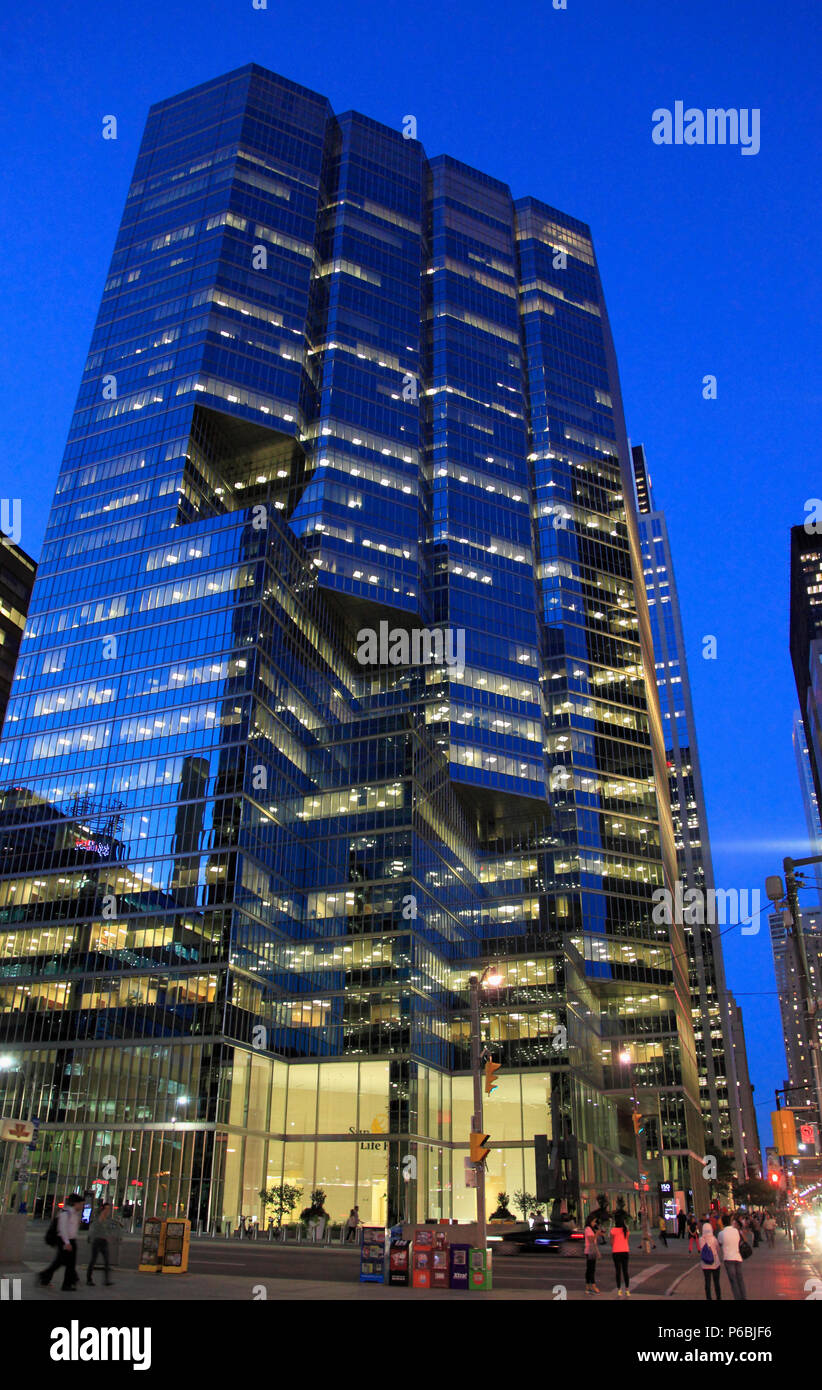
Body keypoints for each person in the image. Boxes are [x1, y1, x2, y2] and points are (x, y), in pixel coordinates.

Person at [39, 1194, 83, 1291]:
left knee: (61, 1262)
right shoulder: (65, 1213)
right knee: (68, 1263)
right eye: (81, 1204)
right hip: (64, 1240)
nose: (82, 1206)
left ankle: (45, 1277)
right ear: (76, 1203)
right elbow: (62, 1229)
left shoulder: (74, 1213)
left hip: (70, 1240)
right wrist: (67, 1243)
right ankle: (66, 1284)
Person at [86, 1201, 118, 1286]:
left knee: (107, 1261)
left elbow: (109, 1230)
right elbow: (92, 1229)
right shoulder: (97, 1218)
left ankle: (106, 1280)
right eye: (106, 1209)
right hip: (96, 1241)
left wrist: (110, 1237)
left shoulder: (108, 1220)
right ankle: (89, 1279)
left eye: (109, 1209)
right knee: (93, 1260)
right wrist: (90, 1237)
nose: (108, 1211)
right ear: (102, 1209)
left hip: (104, 1241)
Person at [718, 1215, 747, 1301]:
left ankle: (737, 1297)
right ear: (730, 1222)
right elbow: (742, 1240)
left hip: (728, 1258)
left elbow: (719, 1244)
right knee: (740, 1279)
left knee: (733, 1281)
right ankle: (744, 1297)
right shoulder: (736, 1231)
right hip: (737, 1257)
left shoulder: (721, 1233)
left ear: (723, 1223)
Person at [698, 1219, 722, 1301]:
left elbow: (701, 1250)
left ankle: (709, 1297)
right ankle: (718, 1297)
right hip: (715, 1263)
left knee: (707, 1282)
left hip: (705, 1264)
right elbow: (718, 1249)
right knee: (716, 1282)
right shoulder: (714, 1239)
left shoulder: (701, 1239)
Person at [610, 1211, 631, 1297]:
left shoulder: (613, 1230)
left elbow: (611, 1242)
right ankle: (627, 1290)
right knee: (625, 1271)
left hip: (616, 1251)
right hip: (625, 1251)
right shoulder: (626, 1230)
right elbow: (627, 1240)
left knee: (618, 1271)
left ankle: (619, 1289)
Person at [584, 1215, 600, 1293]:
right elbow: (591, 1240)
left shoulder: (591, 1229)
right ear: (590, 1221)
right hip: (589, 1250)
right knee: (591, 1269)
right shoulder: (588, 1229)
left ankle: (588, 1286)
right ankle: (592, 1285)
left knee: (591, 1268)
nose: (594, 1223)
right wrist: (597, 1234)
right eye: (594, 1221)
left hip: (592, 1250)